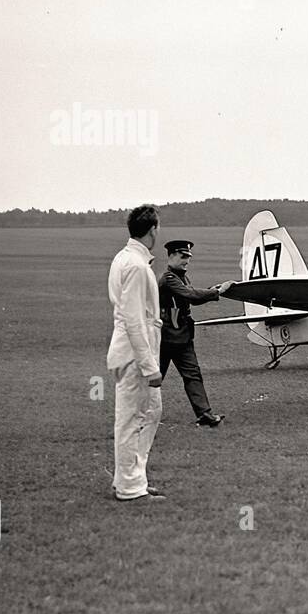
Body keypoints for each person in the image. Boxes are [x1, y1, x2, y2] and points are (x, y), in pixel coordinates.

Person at [106, 204, 165, 501]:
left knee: (151, 412)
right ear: (153, 229)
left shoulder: (123, 258)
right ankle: (130, 487)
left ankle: (132, 478)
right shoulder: (138, 266)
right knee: (134, 418)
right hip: (134, 354)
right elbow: (133, 319)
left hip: (128, 350)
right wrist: (149, 365)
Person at [159, 240, 234, 426]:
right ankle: (137, 415)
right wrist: (217, 292)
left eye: (188, 257)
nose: (187, 261)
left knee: (193, 374)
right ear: (171, 256)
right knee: (154, 377)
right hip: (166, 337)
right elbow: (189, 295)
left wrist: (212, 291)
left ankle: (205, 415)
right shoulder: (168, 279)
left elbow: (192, 297)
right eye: (183, 257)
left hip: (182, 335)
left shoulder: (181, 277)